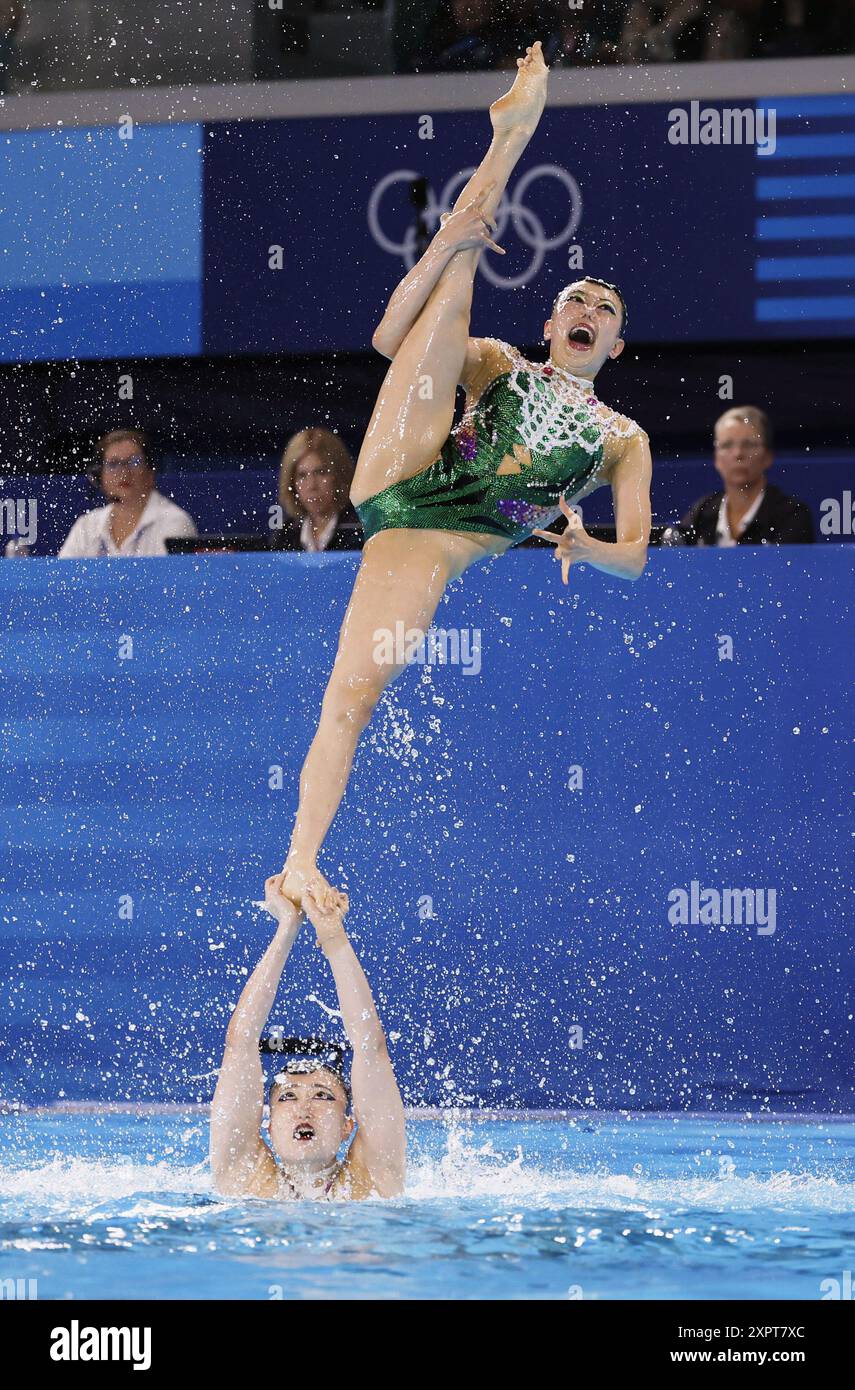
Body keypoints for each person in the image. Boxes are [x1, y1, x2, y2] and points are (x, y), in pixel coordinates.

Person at [278, 42, 652, 912]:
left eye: (605, 310)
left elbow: (634, 556)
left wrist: (588, 544)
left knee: (356, 692)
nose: (588, 312)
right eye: (576, 302)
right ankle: (504, 147)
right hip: (402, 470)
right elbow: (389, 341)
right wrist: (445, 242)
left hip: (432, 537)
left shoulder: (622, 437)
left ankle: (302, 859)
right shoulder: (500, 363)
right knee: (453, 282)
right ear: (552, 320)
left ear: (616, 344)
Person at [210, 876, 405, 1201]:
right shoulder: (242, 1175)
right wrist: (287, 927)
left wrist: (332, 935)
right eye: (287, 1098)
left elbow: (371, 1047)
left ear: (347, 1127)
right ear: (268, 1126)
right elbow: (240, 1042)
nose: (304, 1109)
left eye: (323, 1096)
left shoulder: (374, 1179)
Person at [680, 406, 814, 546]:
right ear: (716, 459)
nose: (738, 453)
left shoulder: (791, 516)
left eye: (748, 444)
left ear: (768, 456)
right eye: (727, 445)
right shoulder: (701, 513)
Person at [58, 429, 197, 558]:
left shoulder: (175, 522)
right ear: (100, 476)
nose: (123, 473)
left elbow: (170, 583)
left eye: (134, 462)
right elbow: (62, 580)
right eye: (113, 464)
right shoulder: (86, 526)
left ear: (150, 473)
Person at [270, 426, 363, 553]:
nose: (311, 485)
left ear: (339, 476)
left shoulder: (361, 531)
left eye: (321, 472)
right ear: (292, 483)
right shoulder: (285, 536)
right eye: (302, 476)